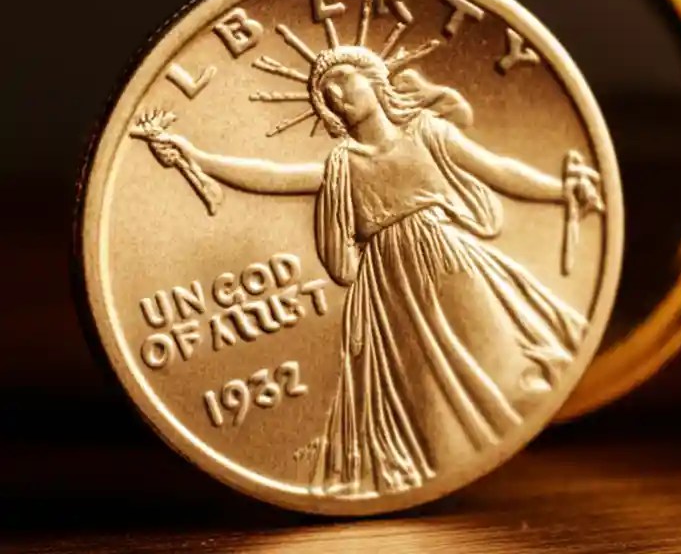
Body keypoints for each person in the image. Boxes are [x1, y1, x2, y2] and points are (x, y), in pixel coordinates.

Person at [142, 43, 604, 498]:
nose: (337, 96)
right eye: (327, 95)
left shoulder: (429, 132)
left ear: (376, 80)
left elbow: (498, 171)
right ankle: (444, 460)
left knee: (500, 356)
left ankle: (503, 427)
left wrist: (561, 191)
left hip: (450, 263)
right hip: (387, 292)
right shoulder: (342, 165)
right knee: (420, 393)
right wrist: (196, 157)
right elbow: (271, 176)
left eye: (343, 81)